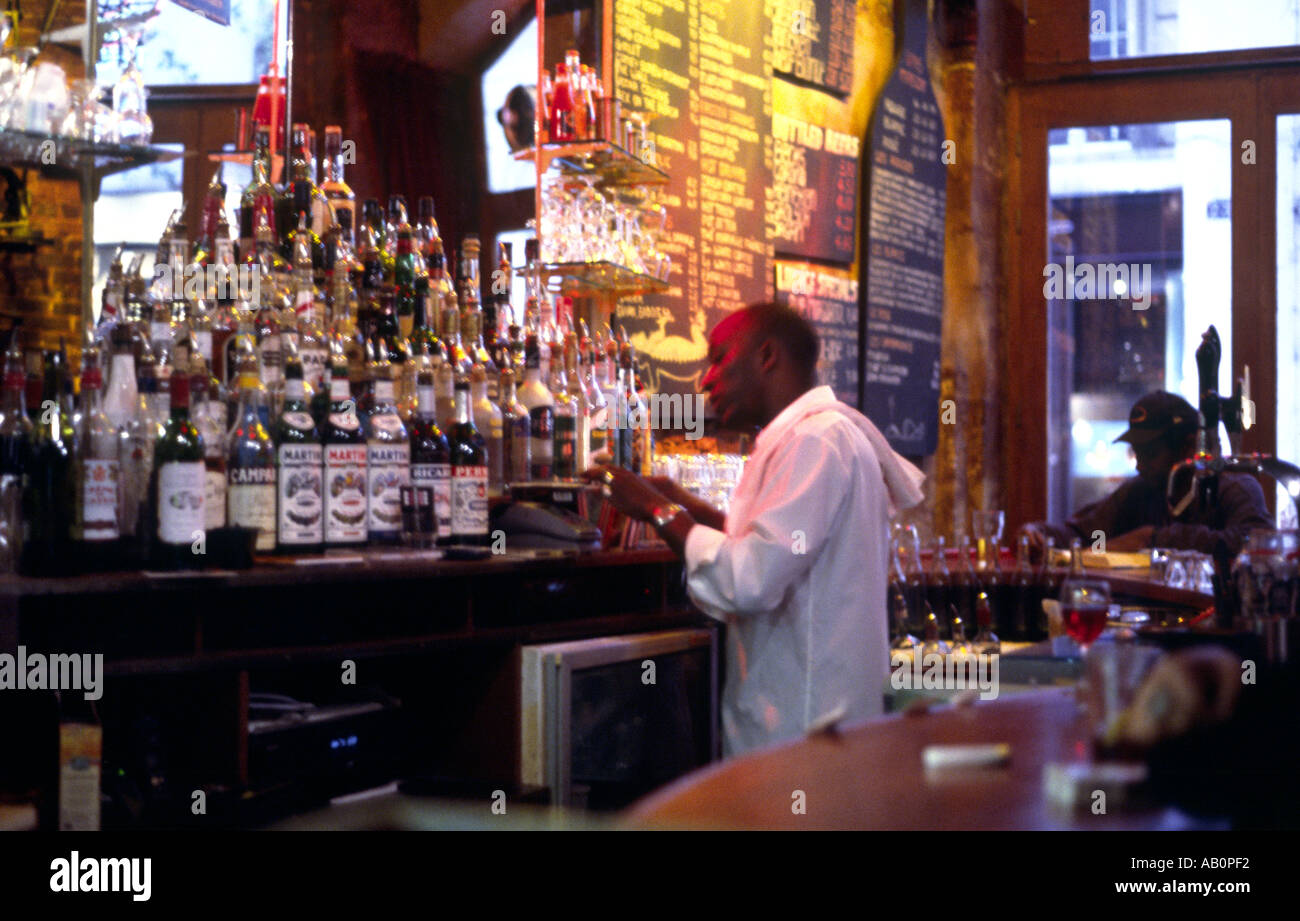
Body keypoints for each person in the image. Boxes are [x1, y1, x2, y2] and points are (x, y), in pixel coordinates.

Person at [586, 302, 925, 756]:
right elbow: (779, 549)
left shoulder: (814, 441)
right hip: (820, 733)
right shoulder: (816, 436)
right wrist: (684, 505)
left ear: (767, 357)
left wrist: (652, 508)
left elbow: (749, 579)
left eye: (719, 358)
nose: (705, 379)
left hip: (801, 738)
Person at [1020, 391, 1272, 556]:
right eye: (1136, 453)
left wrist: (1153, 539)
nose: (1140, 466)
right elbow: (1090, 534)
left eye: (1150, 454)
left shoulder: (1235, 488)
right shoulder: (1141, 490)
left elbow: (1257, 543)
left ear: (1188, 446)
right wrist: (1039, 535)